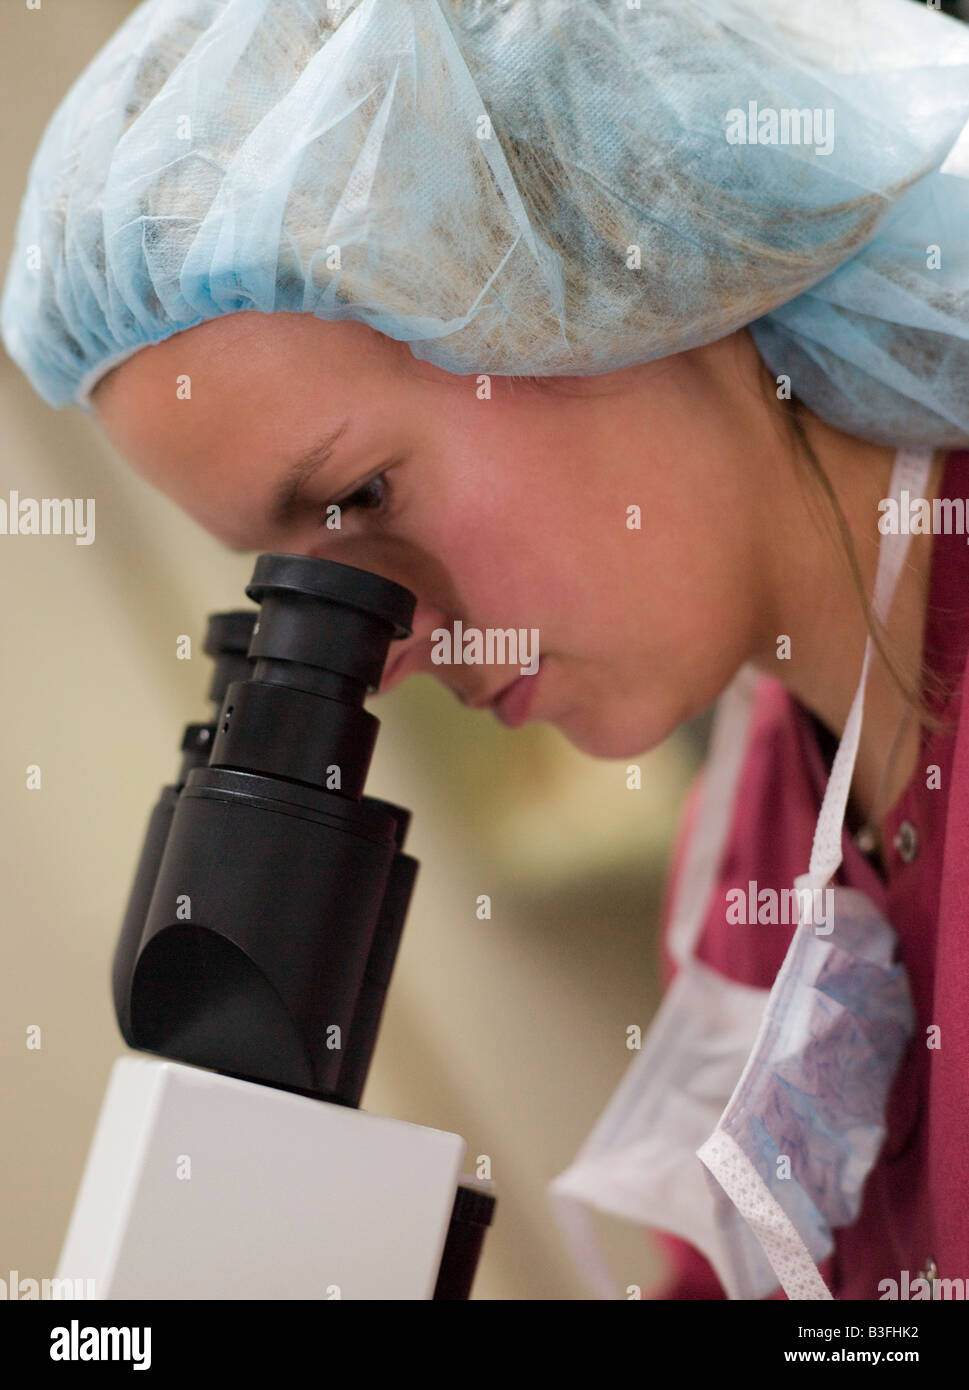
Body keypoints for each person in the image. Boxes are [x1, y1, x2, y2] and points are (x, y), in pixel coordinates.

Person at [4, 0, 969, 1300]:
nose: (386, 648)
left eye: (363, 498)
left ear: (605, 252)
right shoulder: (758, 858)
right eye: (305, 583)